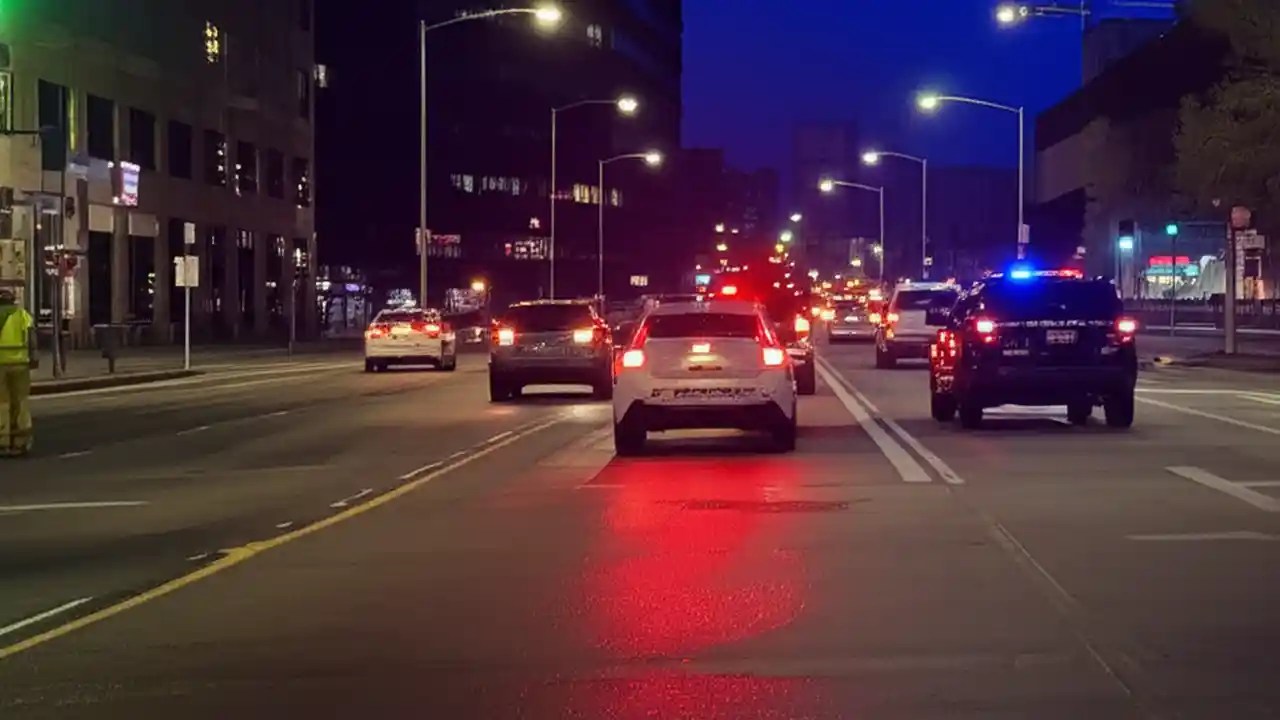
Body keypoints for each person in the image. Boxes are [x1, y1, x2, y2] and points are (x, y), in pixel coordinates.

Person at [0, 288, 36, 457]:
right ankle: (21, 442)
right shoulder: (22, 315)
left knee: (2, 404)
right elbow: (32, 337)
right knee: (20, 402)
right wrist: (34, 357)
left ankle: (3, 441)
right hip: (20, 364)